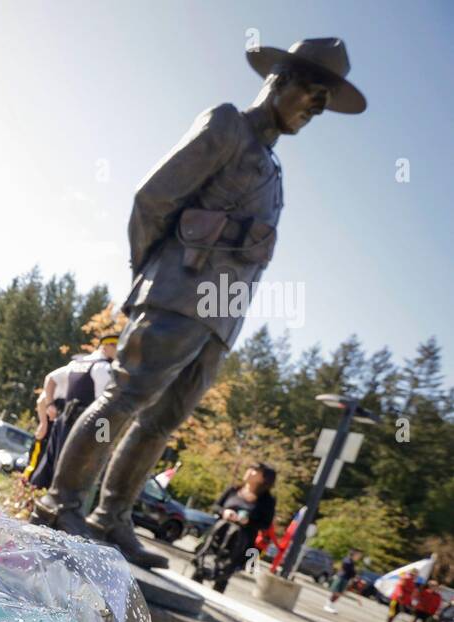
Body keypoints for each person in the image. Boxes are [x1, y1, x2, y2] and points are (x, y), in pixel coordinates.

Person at [31, 38, 365, 569]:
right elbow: (154, 198)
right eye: (313, 94)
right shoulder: (228, 125)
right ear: (280, 79)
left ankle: (109, 518)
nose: (316, 109)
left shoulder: (274, 169)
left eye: (324, 103)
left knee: (162, 421)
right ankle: (60, 503)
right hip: (178, 290)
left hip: (221, 310)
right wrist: (152, 273)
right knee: (123, 398)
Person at [24, 334, 118, 489]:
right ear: (107, 347)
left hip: (62, 422)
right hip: (82, 425)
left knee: (49, 466)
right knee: (70, 472)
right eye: (116, 348)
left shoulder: (78, 363)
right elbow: (104, 408)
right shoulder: (104, 368)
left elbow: (50, 378)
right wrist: (104, 439)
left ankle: (32, 501)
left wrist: (50, 405)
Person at [190, 463, 277, 593]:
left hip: (239, 544)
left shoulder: (267, 501)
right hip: (217, 537)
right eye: (250, 468)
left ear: (264, 479)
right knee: (201, 568)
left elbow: (265, 524)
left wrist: (248, 521)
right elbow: (216, 507)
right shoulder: (233, 490)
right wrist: (225, 512)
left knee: (223, 575)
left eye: (255, 471)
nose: (249, 471)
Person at [323, 548, 361, 613]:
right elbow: (348, 570)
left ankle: (331, 605)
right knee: (336, 592)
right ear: (353, 554)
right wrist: (354, 575)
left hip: (345, 579)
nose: (358, 557)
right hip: (341, 578)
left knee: (339, 593)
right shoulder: (347, 560)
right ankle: (328, 605)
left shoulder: (352, 562)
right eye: (357, 555)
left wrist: (354, 576)